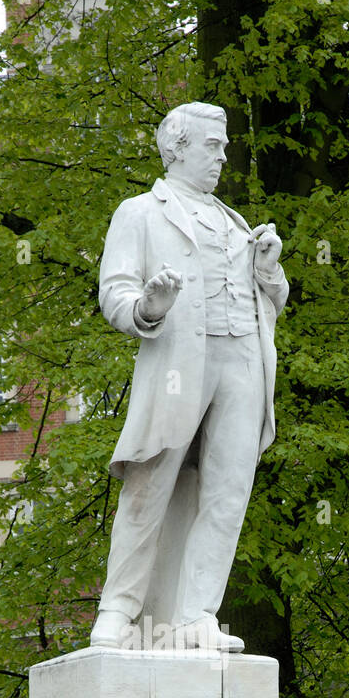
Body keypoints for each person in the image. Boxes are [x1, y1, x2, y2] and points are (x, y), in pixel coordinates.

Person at [90, 101, 288, 653]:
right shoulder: (140, 212)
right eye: (212, 145)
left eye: (224, 146)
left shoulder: (234, 221)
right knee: (149, 483)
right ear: (177, 147)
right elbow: (115, 292)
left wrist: (269, 268)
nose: (223, 156)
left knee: (228, 493)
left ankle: (196, 614)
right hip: (180, 365)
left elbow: (272, 298)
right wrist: (149, 306)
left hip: (244, 362)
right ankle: (118, 610)